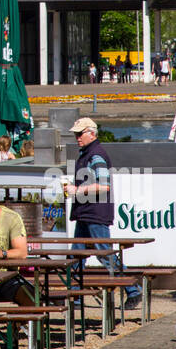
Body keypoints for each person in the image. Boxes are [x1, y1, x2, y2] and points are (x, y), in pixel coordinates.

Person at [63, 116, 141, 310]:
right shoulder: (89, 153)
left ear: (92, 133)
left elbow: (104, 186)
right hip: (86, 212)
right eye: (75, 134)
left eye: (80, 133)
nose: (77, 137)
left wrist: (77, 190)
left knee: (104, 254)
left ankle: (134, 289)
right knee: (76, 257)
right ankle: (77, 297)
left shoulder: (95, 155)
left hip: (95, 213)